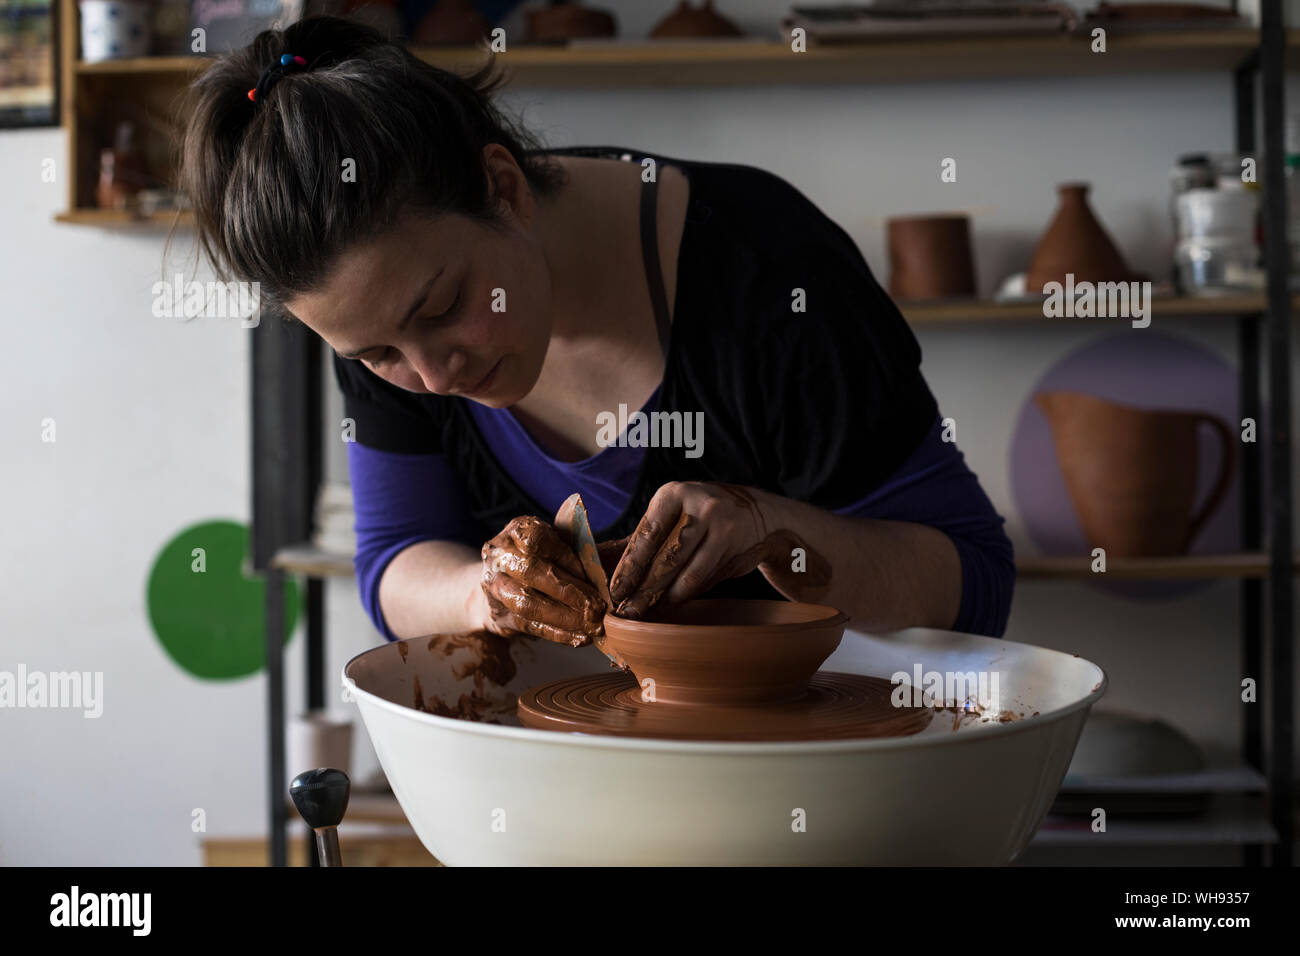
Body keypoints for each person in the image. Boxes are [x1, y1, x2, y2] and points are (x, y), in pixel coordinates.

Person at [178, 16, 1014, 649]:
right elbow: (396, 557)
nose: (433, 375)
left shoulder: (770, 268)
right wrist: (483, 594)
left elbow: (973, 579)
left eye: (439, 309)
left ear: (502, 187)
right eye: (378, 356)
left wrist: (777, 533)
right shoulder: (380, 305)